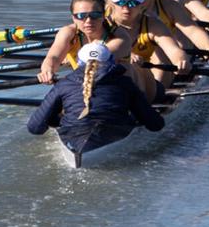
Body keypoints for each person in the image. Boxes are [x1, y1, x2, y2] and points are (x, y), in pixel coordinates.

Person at [26, 40, 164, 160]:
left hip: (74, 136)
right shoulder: (125, 83)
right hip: (113, 133)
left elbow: (35, 128)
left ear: (79, 62)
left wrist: (56, 120)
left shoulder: (64, 84)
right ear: (111, 61)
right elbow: (155, 125)